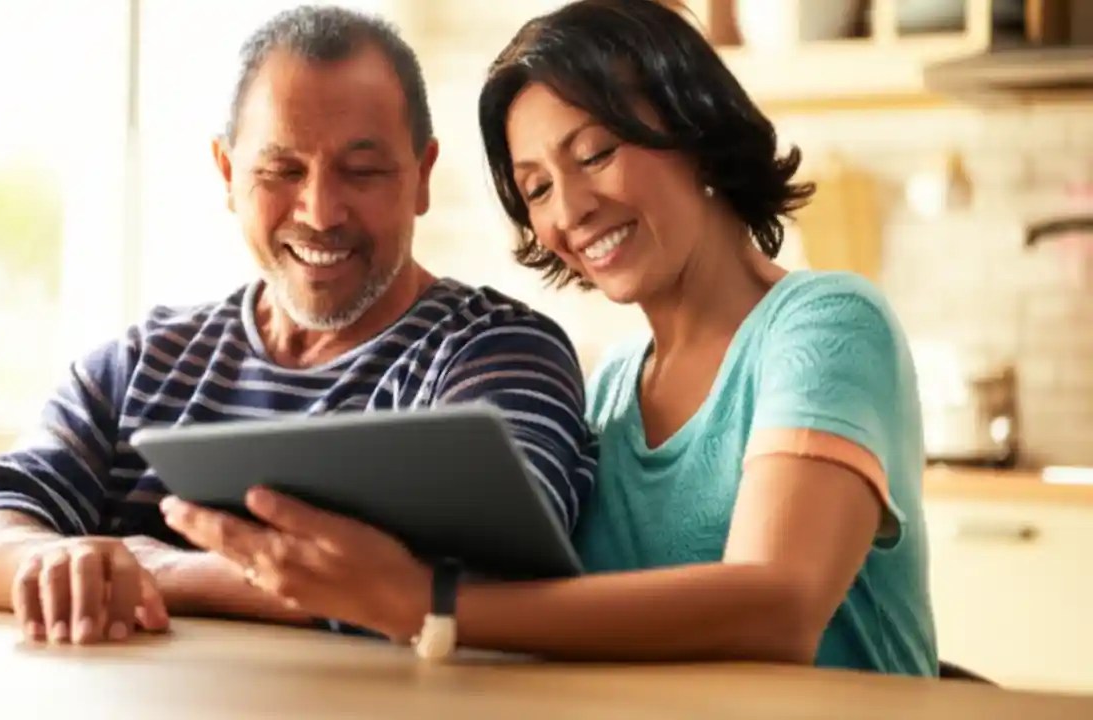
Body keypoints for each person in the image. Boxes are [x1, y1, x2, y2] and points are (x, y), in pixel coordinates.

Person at [161, 0, 938, 675]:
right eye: (536, 187)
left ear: (694, 129)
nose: (569, 210)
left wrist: (425, 602)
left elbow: (777, 608)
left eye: (595, 153)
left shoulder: (824, 324)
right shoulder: (610, 391)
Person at [0, 5, 597, 646]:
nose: (320, 210)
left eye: (361, 171)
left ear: (421, 176)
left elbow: (488, 584)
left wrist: (158, 570)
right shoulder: (141, 365)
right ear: (227, 173)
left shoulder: (497, 353)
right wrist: (52, 564)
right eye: (281, 170)